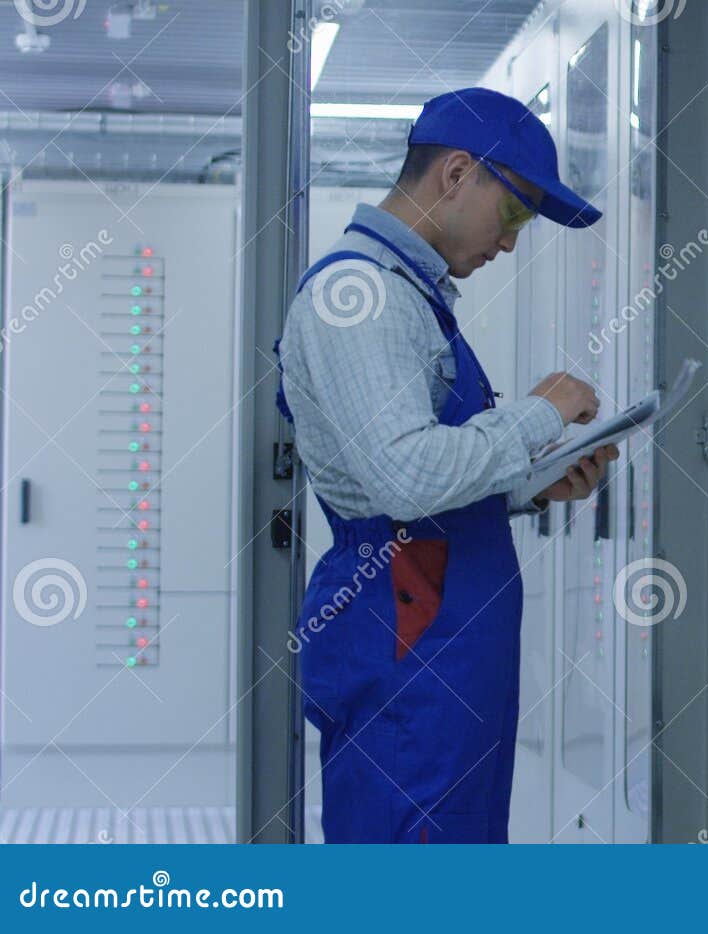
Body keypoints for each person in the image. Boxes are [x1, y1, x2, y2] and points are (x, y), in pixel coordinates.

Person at [275, 87, 617, 843]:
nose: (512, 242)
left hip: (439, 632)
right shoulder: (358, 297)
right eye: (519, 211)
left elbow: (421, 471)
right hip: (407, 627)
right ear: (457, 174)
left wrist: (525, 487)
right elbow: (403, 477)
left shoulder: (408, 294)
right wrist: (540, 412)